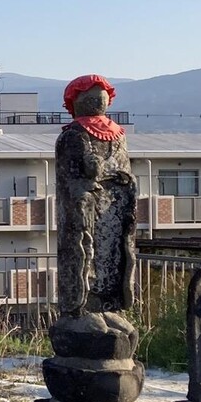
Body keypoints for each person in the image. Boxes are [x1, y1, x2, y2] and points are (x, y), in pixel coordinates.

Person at [55, 74, 137, 318]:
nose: (96, 99)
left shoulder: (119, 134)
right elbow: (67, 181)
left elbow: (124, 169)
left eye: (99, 94)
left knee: (113, 255)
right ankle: (84, 309)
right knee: (87, 256)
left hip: (115, 205)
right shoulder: (72, 136)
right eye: (88, 94)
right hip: (88, 209)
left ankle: (111, 306)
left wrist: (124, 182)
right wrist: (87, 183)